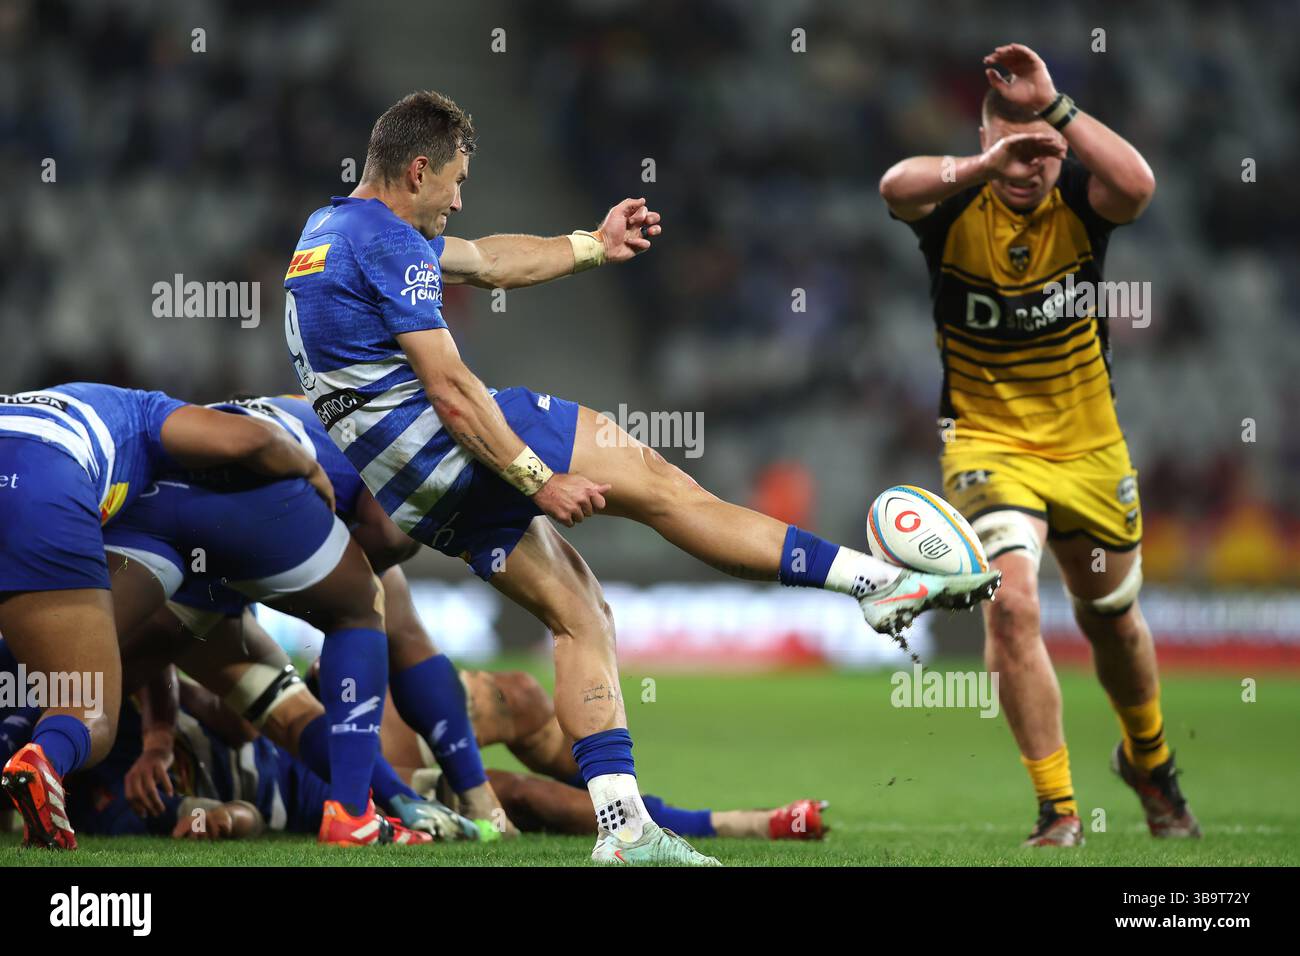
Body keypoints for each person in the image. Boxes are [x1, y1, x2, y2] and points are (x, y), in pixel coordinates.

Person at [284, 90, 1000, 866]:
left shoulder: (328, 235)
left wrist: (592, 244)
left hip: (415, 491)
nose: (459, 198)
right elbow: (452, 386)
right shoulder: (387, 241)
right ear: (417, 169)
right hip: (463, 442)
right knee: (669, 491)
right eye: (454, 180)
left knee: (580, 615)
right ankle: (874, 582)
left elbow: (486, 260)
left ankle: (623, 827)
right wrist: (535, 477)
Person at [879, 43, 1198, 845]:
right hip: (987, 445)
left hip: (1090, 450)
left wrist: (1056, 110)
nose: (1026, 164)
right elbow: (895, 186)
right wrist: (982, 163)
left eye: (1043, 150)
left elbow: (1139, 184)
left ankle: (1150, 764)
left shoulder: (1086, 210)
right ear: (984, 137)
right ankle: (1058, 808)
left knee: (1112, 621)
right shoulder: (953, 208)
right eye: (1007, 145)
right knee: (1013, 606)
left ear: (1065, 146)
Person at [0, 383, 328, 849]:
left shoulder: (74, 405)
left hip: (29, 465)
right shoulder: (151, 413)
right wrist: (310, 469)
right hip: (43, 481)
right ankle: (43, 760)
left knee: (17, 667)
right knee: (86, 705)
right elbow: (252, 439)